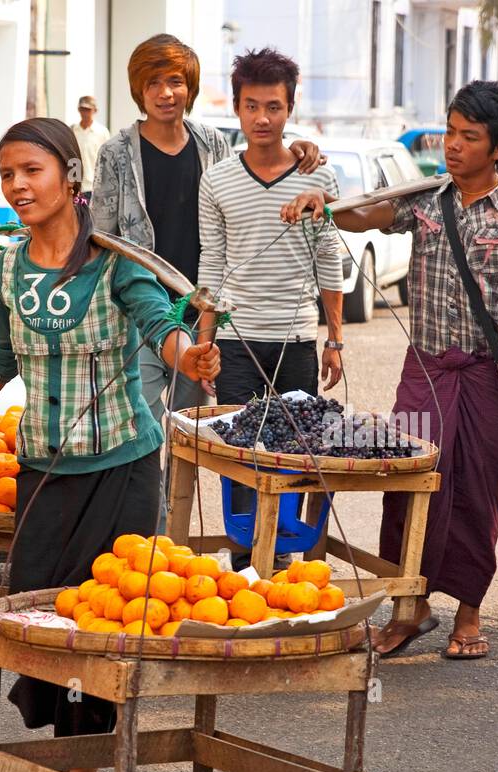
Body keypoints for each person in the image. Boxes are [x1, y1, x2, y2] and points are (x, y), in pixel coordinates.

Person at [0, 118, 221, 772]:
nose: (18, 186)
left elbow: (163, 330)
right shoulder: (11, 268)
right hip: (43, 476)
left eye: (31, 170)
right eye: (6, 175)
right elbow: (1, 359)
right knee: (31, 630)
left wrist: (194, 359)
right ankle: (69, 760)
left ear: (69, 176)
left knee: (100, 636)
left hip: (119, 473)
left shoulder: (118, 264)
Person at [283, 80, 498, 660]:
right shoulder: (426, 198)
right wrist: (325, 205)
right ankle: (409, 607)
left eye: (469, 137)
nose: (453, 146)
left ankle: (469, 610)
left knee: (480, 487)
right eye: (450, 133)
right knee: (407, 482)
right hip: (424, 370)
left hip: (485, 373)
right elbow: (366, 217)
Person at [92, 34, 326, 426]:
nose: (166, 93)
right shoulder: (116, 153)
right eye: (153, 83)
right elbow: (101, 237)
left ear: (190, 87)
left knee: (192, 430)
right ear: (139, 89)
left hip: (199, 314)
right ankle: (148, 491)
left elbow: (249, 178)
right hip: (142, 315)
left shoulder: (211, 143)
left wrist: (298, 148)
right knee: (142, 426)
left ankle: (176, 493)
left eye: (176, 82)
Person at [196, 47, 344, 570]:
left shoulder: (318, 179)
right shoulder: (216, 181)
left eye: (274, 107)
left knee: (296, 454)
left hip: (298, 341)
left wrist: (334, 339)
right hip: (236, 343)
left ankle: (286, 564)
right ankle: (244, 564)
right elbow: (210, 265)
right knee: (238, 456)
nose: (263, 118)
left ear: (290, 108)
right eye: (252, 105)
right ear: (236, 109)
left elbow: (331, 261)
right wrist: (204, 341)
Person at [70, 95, 110, 202]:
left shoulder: (102, 132)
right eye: (82, 109)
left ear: (95, 111)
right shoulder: (73, 131)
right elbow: (71, 159)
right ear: (78, 109)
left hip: (96, 186)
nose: (85, 113)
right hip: (77, 187)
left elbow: (108, 159)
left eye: (88, 110)